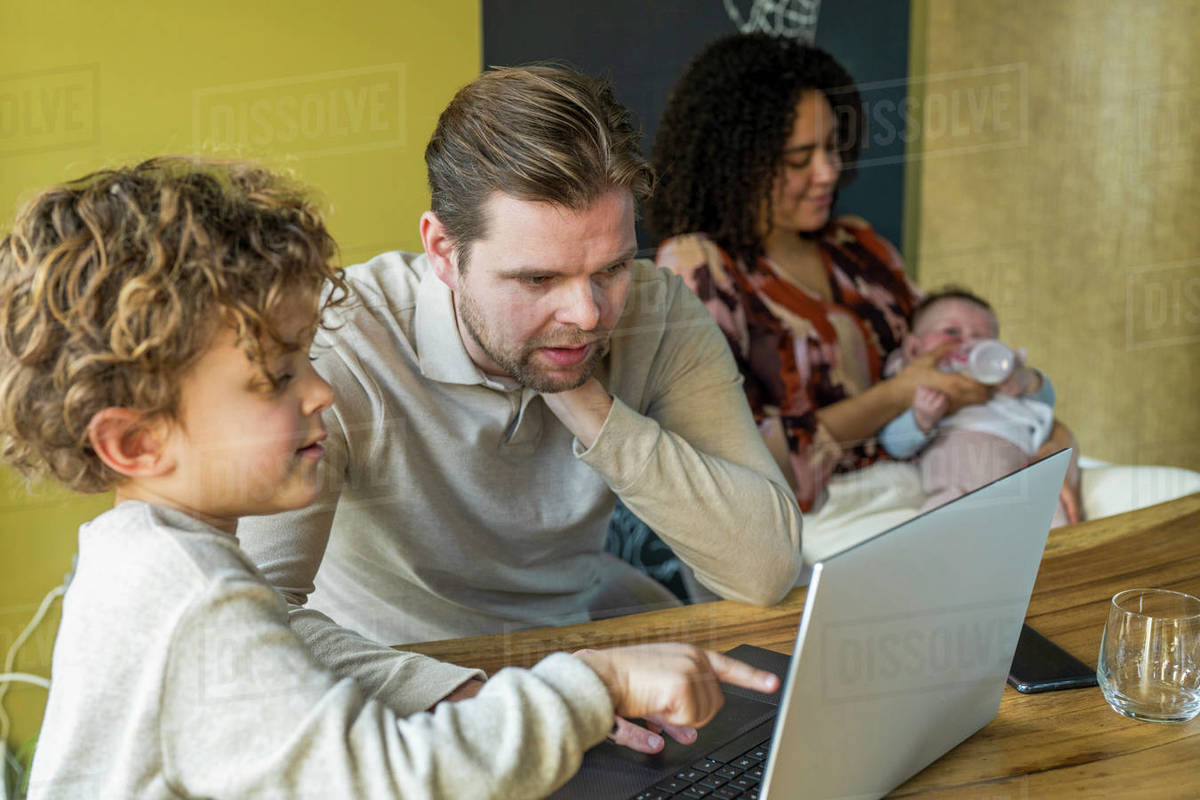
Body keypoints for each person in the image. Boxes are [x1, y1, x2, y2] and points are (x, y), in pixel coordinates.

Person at [0, 157, 781, 798]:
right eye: (275, 377)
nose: (321, 391)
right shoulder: (199, 602)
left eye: (307, 358)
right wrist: (596, 684)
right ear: (135, 441)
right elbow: (393, 780)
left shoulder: (141, 557)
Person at [236, 66, 802, 682]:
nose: (587, 315)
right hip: (403, 676)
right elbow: (250, 622)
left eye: (611, 268)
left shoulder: (656, 312)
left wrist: (581, 395)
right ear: (444, 252)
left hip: (579, 655)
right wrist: (472, 701)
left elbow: (764, 567)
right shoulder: (334, 345)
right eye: (538, 280)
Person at [647, 33, 1081, 563]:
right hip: (818, 519)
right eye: (799, 158)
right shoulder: (699, 268)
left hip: (942, 468)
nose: (828, 173)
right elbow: (729, 460)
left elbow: (970, 371)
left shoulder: (859, 247)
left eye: (832, 147)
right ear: (736, 160)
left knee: (1158, 495)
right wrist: (898, 395)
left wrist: (1051, 446)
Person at [877, 288, 1068, 525]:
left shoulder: (1003, 376)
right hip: (957, 487)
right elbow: (893, 443)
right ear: (914, 349)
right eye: (951, 331)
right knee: (937, 525)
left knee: (1054, 519)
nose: (968, 342)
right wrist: (920, 420)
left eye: (981, 336)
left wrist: (1025, 379)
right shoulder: (916, 383)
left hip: (1022, 477)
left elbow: (1046, 400)